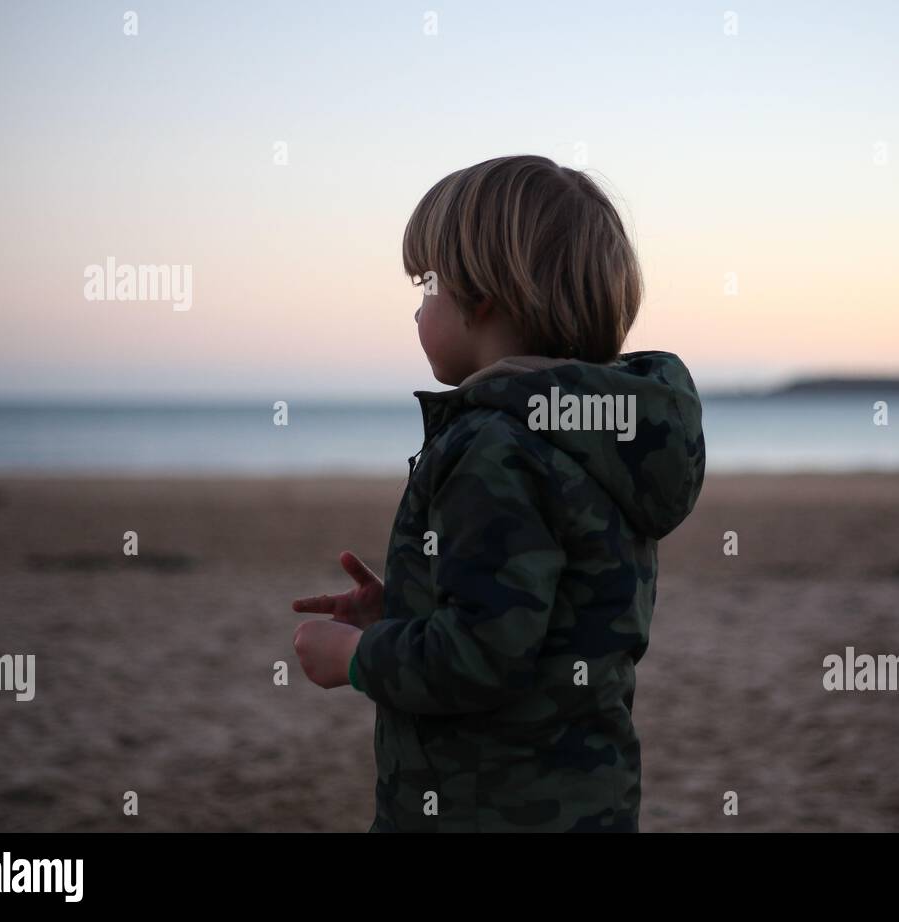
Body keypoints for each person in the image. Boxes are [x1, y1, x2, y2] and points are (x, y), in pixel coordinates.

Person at [290, 155, 706, 832]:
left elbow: (483, 657)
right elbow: (545, 616)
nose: (416, 309)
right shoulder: (592, 437)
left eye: (427, 287)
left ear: (481, 299)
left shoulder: (496, 447)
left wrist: (360, 659)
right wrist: (407, 609)